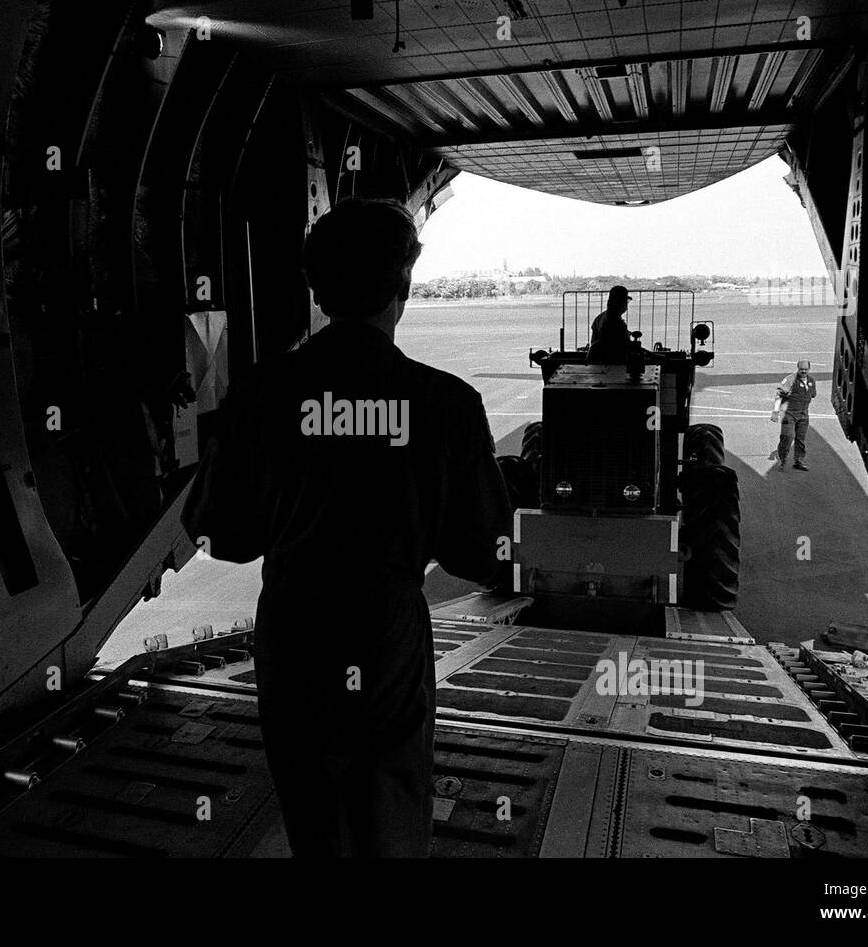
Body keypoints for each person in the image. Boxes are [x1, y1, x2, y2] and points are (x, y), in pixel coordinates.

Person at [181, 197, 512, 857]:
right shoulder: (446, 403)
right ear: (403, 286)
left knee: (315, 819)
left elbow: (222, 534)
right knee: (388, 813)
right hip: (384, 641)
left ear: (317, 288)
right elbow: (484, 554)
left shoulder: (260, 391)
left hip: (292, 639)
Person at [771, 358, 818, 471]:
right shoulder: (790, 380)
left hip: (803, 415)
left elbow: (813, 395)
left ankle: (799, 461)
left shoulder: (811, 381)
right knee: (787, 436)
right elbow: (779, 395)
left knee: (800, 439)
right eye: (801, 369)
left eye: (806, 369)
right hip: (789, 414)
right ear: (798, 368)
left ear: (809, 369)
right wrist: (775, 412)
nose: (804, 371)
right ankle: (782, 460)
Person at [588, 285, 632, 362]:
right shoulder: (616, 323)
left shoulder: (601, 317)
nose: (626, 306)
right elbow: (623, 346)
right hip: (611, 362)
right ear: (620, 303)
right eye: (625, 302)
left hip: (597, 361)